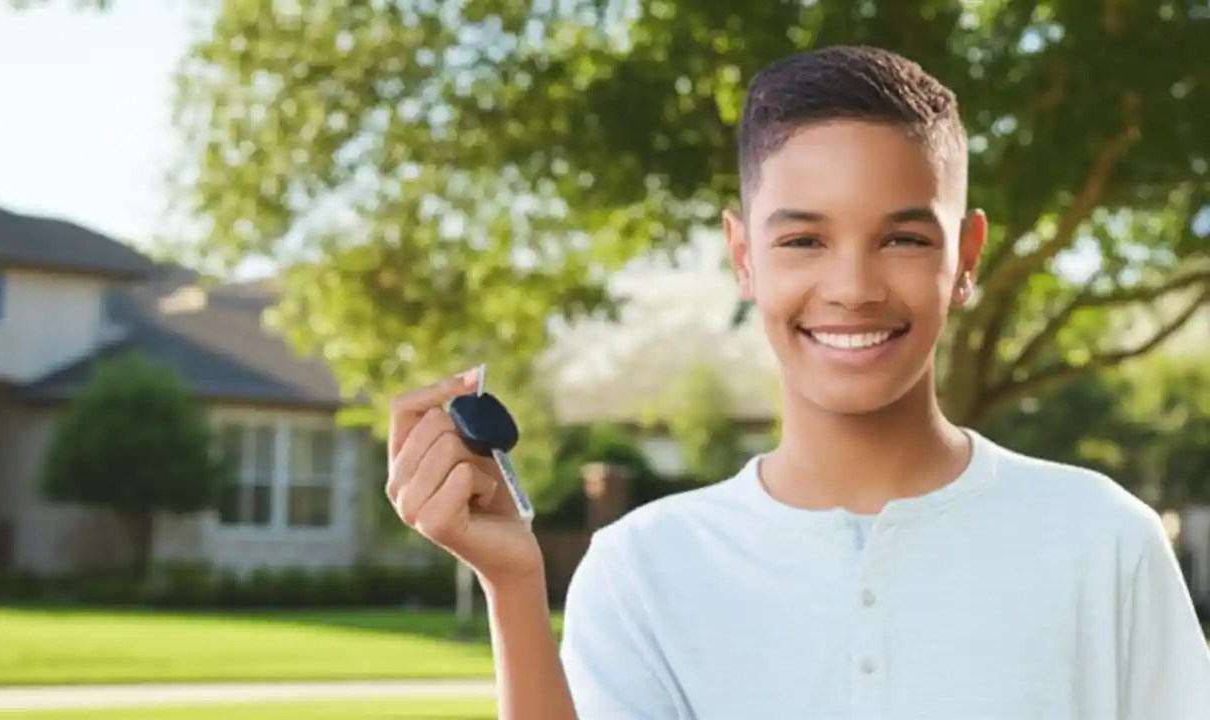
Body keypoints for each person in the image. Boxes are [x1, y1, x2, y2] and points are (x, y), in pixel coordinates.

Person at [384, 45, 1210, 719]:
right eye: (803, 241)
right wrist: (513, 584)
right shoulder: (643, 570)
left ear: (967, 256)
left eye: (903, 240)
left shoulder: (1103, 542)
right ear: (743, 255)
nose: (852, 287)